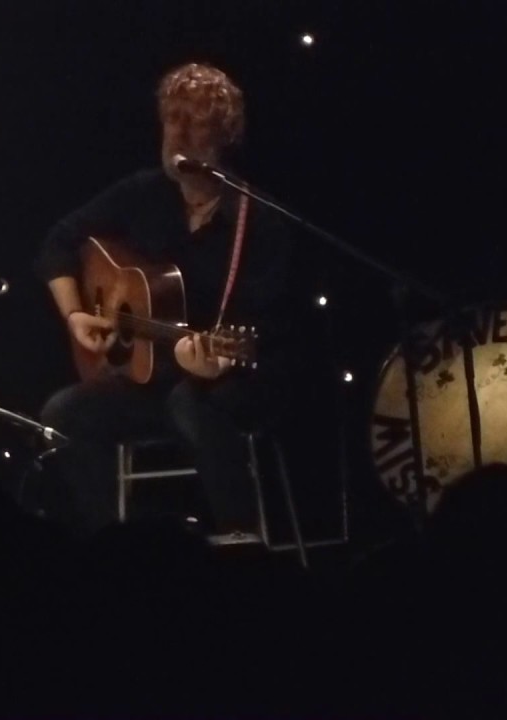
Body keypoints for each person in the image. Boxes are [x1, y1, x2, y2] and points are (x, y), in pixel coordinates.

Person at [35, 63, 311, 539]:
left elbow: (271, 328)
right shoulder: (143, 192)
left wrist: (215, 362)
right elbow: (58, 242)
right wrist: (76, 313)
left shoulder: (258, 222)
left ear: (225, 136)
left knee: (192, 401)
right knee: (62, 413)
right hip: (153, 381)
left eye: (196, 123)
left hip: (238, 384)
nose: (179, 134)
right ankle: (118, 544)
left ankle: (238, 543)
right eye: (172, 119)